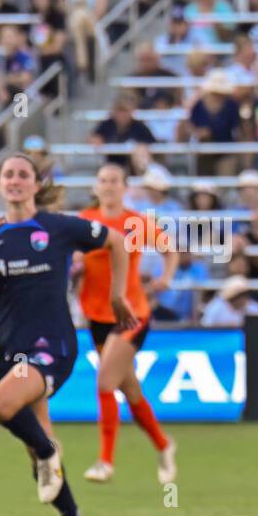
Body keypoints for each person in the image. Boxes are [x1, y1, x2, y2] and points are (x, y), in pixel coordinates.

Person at [0, 154, 136, 516]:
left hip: (53, 345)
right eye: (8, 174)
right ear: (0, 184)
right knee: (34, 446)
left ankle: (50, 452)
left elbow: (116, 241)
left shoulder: (57, 227)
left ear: (35, 183)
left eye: (22, 174)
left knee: (0, 406)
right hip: (10, 350)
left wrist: (117, 296)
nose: (14, 180)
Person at [77, 164, 179, 484]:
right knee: (129, 388)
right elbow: (71, 259)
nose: (108, 186)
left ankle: (105, 462)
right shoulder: (84, 221)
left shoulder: (135, 222)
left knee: (105, 382)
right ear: (96, 186)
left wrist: (166, 278)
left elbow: (169, 249)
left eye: (114, 181)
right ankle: (164, 445)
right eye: (103, 180)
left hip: (130, 313)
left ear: (125, 187)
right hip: (96, 315)